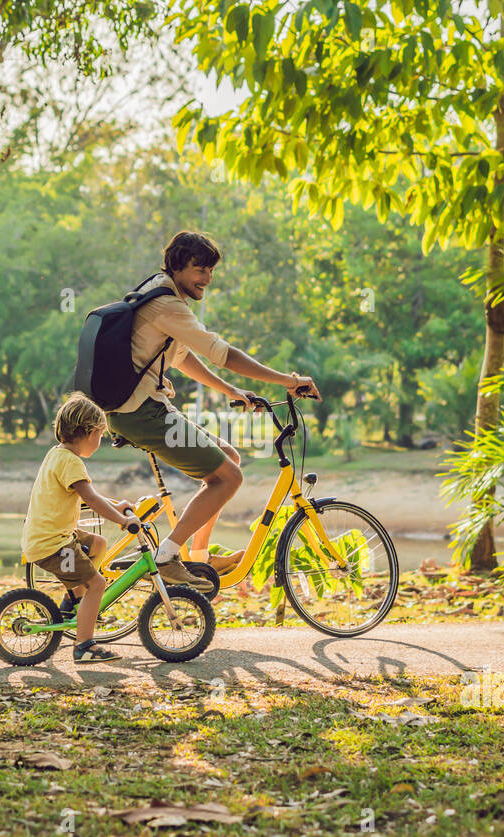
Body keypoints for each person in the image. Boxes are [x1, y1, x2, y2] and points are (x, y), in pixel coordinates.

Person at [107, 230, 320, 583]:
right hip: (142, 413)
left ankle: (199, 557)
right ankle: (168, 556)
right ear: (177, 267)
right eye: (199, 269)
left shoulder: (159, 291)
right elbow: (223, 354)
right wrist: (287, 380)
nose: (206, 278)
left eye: (210, 271)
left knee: (229, 459)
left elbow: (182, 357)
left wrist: (231, 390)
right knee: (229, 477)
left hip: (145, 408)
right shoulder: (167, 304)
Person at [21, 393, 135, 665]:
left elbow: (91, 495)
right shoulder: (71, 462)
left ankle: (73, 600)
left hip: (50, 537)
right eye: (99, 435)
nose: (100, 442)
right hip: (53, 546)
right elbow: (91, 498)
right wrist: (122, 520)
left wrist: (119, 506)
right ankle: (84, 646)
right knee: (97, 584)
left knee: (97, 544)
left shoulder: (57, 454)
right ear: (87, 432)